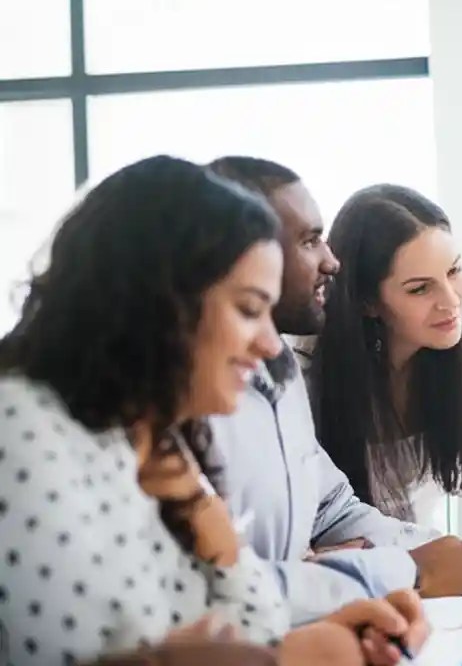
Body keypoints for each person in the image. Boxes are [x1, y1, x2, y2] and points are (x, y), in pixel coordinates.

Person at [0, 156, 428, 666]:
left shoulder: (142, 442)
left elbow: (247, 619)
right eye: (249, 310)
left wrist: (331, 633)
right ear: (160, 300)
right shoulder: (22, 424)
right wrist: (294, 658)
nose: (271, 346)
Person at [202, 157, 462, 623]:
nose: (331, 262)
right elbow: (228, 590)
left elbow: (331, 510)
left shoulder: (276, 365)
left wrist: (440, 552)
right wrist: (403, 569)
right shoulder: (191, 401)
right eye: (310, 241)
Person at [308, 184, 462, 581]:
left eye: (454, 271)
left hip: (428, 570)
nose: (451, 301)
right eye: (420, 288)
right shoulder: (307, 362)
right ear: (367, 302)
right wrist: (456, 561)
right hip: (349, 577)